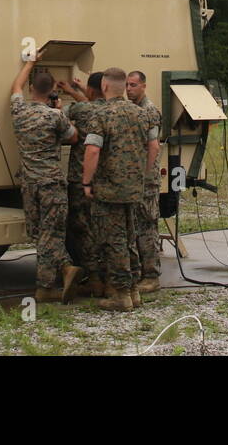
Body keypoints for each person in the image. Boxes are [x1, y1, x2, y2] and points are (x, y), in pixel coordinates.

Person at [10, 50, 81, 303]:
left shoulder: (19, 111)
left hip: (29, 183)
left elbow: (16, 85)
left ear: (32, 89)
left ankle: (63, 270)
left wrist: (30, 63)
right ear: (53, 91)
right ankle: (47, 285)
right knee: (52, 232)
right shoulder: (54, 116)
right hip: (51, 182)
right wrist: (60, 110)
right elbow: (73, 137)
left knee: (40, 232)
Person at [81, 67, 151, 311]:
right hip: (133, 188)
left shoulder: (101, 115)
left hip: (109, 190)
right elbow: (152, 146)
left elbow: (92, 150)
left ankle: (120, 295)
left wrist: (87, 182)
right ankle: (133, 290)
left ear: (104, 86)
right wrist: (142, 174)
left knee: (114, 241)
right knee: (130, 237)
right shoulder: (141, 114)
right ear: (124, 87)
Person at [57, 71, 105, 296]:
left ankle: (93, 277)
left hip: (81, 178)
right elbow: (91, 104)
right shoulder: (115, 109)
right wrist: (74, 91)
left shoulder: (82, 110)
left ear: (92, 90)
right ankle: (112, 278)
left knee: (82, 228)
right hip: (106, 179)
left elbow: (61, 116)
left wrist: (59, 101)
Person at [126, 70, 163, 293]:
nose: (129, 89)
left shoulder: (149, 111)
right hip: (135, 179)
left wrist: (146, 173)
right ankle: (139, 272)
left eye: (133, 85)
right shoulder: (133, 110)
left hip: (146, 181)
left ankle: (151, 275)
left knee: (148, 227)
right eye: (127, 85)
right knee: (136, 227)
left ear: (143, 86)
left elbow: (154, 146)